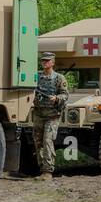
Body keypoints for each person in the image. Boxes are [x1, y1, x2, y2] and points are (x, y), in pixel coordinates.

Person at [31, 50, 68, 179]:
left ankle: (48, 171)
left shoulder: (59, 78)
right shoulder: (37, 77)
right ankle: (42, 169)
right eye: (43, 60)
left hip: (52, 115)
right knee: (38, 142)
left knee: (47, 140)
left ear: (53, 62)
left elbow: (65, 95)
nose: (44, 63)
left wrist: (57, 98)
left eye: (47, 60)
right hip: (39, 114)